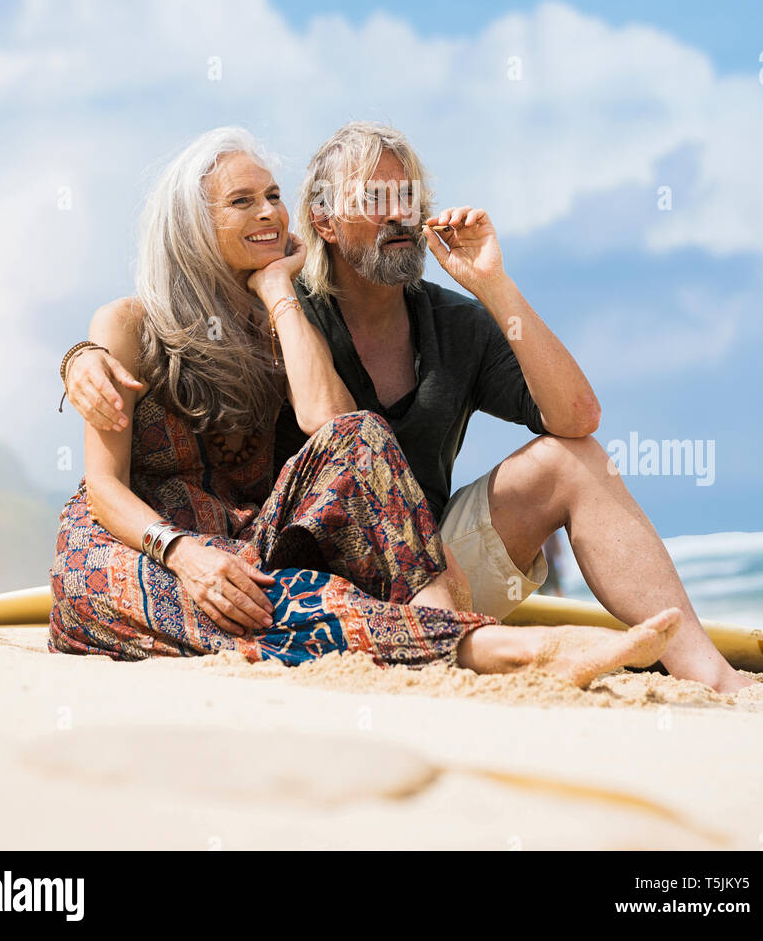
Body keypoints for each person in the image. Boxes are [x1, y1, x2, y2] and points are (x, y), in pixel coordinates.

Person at [52, 125, 683, 684]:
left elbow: (336, 426)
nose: (270, 211)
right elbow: (102, 486)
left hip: (248, 550)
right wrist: (79, 358)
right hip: (137, 548)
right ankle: (496, 649)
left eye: (273, 195)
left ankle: (470, 643)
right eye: (242, 201)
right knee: (258, 606)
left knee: (298, 598)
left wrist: (277, 292)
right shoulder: (129, 322)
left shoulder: (283, 318)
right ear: (194, 224)